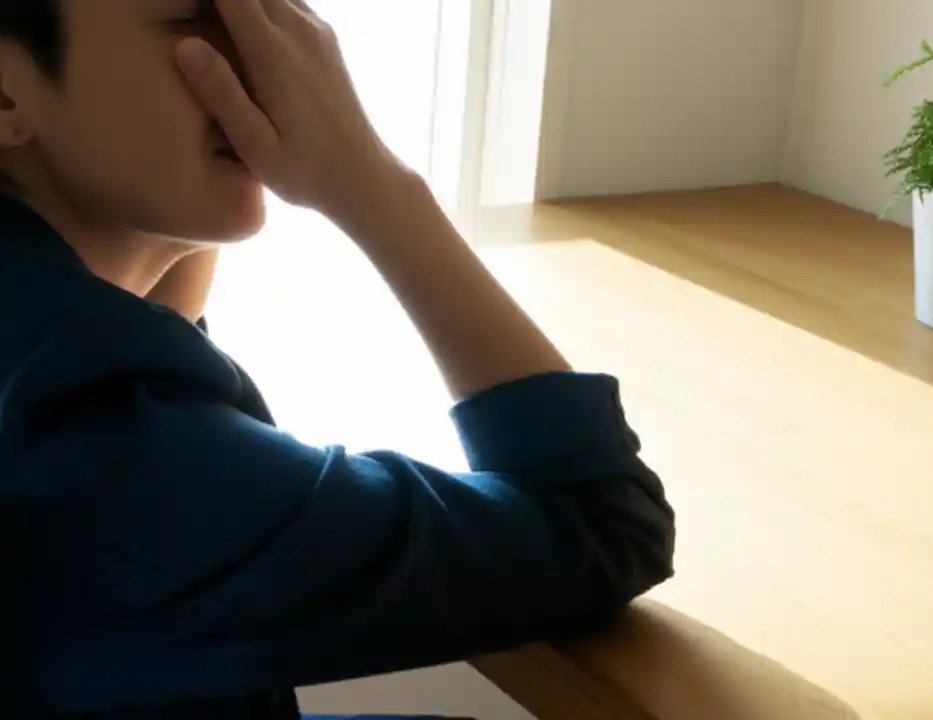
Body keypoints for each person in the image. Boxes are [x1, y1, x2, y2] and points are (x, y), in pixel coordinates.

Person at [0, 0, 676, 718]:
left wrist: (207, 190)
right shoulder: (93, 432)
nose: (278, 61)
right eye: (198, 15)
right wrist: (371, 181)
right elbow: (600, 522)